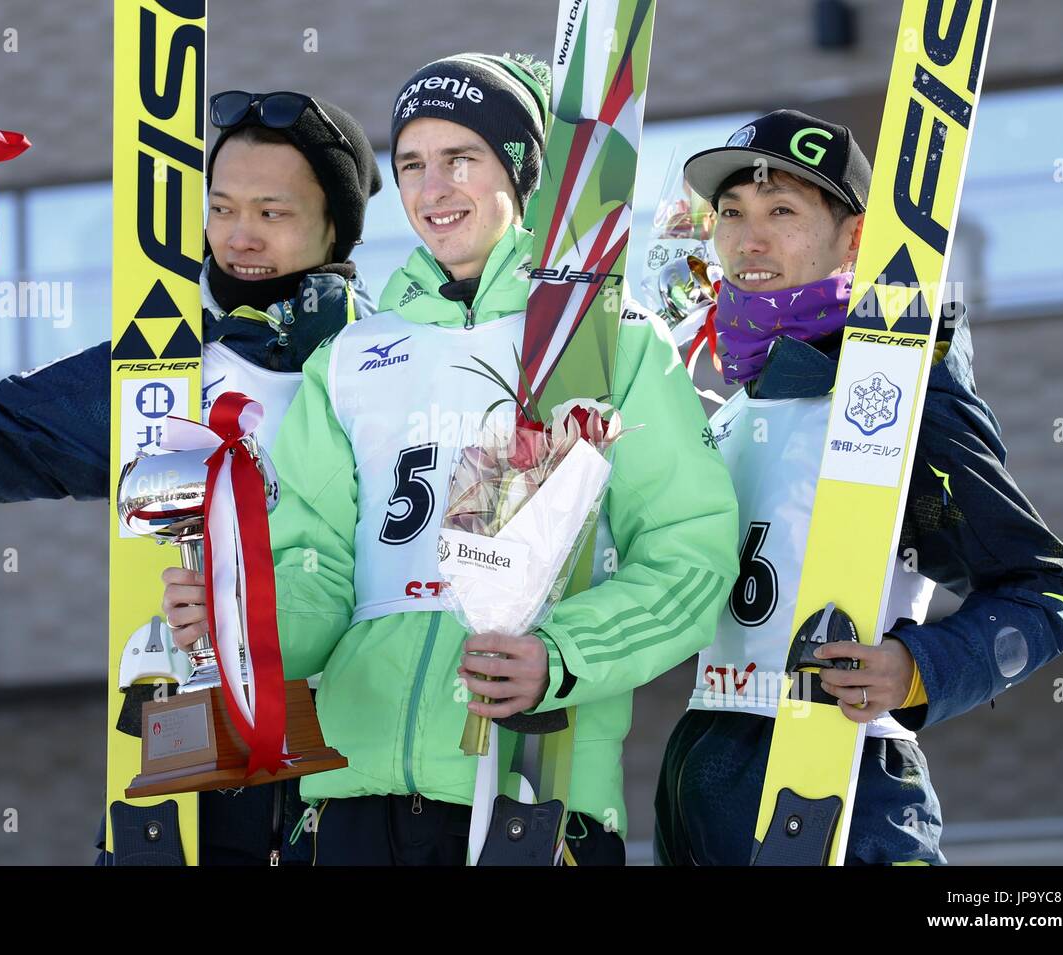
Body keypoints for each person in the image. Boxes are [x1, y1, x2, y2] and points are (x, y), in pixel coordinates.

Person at [162, 52, 740, 865]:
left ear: (519, 170)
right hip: (349, 808)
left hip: (530, 795)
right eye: (411, 165)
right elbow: (314, 570)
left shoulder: (605, 340)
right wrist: (238, 623)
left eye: (460, 160)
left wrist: (563, 655)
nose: (432, 190)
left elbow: (690, 552)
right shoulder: (353, 357)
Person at [0, 90, 383, 865]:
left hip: (364, 799)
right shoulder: (157, 370)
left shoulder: (394, 370)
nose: (240, 235)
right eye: (221, 208)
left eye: (273, 212)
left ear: (336, 227)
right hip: (186, 807)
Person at [652, 109, 1063, 865]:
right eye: (731, 214)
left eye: (782, 212)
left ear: (855, 237)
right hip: (701, 773)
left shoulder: (899, 390)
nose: (748, 241)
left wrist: (917, 667)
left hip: (849, 784)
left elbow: (1045, 589)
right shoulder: (727, 404)